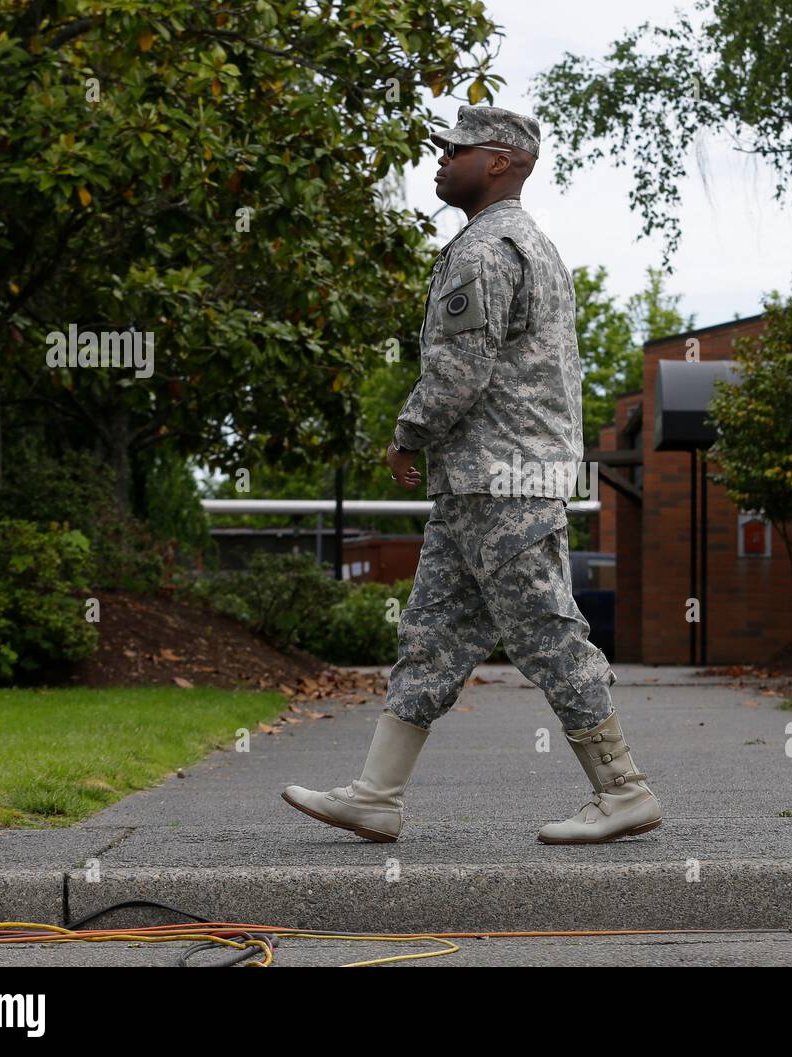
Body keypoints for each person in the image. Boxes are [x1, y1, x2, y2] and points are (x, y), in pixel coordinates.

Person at [283, 105, 663, 845]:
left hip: (504, 481)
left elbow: (461, 369)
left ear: (498, 162)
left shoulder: (487, 250)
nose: (438, 161)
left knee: (547, 632)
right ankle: (376, 794)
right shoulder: (530, 245)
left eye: (453, 150)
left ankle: (623, 789)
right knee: (430, 635)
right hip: (482, 482)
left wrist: (407, 433)